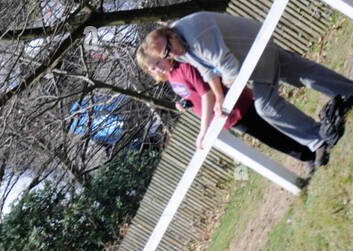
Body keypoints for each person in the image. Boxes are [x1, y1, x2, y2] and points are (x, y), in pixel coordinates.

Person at [142, 15, 353, 166]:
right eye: (166, 55)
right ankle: (351, 92)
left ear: (170, 33)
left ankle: (317, 139)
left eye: (169, 48)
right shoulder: (180, 48)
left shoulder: (196, 36)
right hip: (251, 53)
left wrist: (225, 90)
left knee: (265, 106)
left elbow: (227, 66)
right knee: (300, 72)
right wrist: (219, 97)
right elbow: (206, 69)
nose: (172, 54)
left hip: (256, 49)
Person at [135, 43, 316, 166]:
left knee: (275, 131)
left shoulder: (184, 67)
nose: (158, 68)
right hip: (228, 118)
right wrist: (185, 103)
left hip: (238, 107)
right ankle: (309, 153)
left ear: (162, 54)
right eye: (153, 68)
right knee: (271, 137)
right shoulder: (172, 77)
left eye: (158, 61)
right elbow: (194, 94)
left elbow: (207, 94)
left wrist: (203, 130)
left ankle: (311, 151)